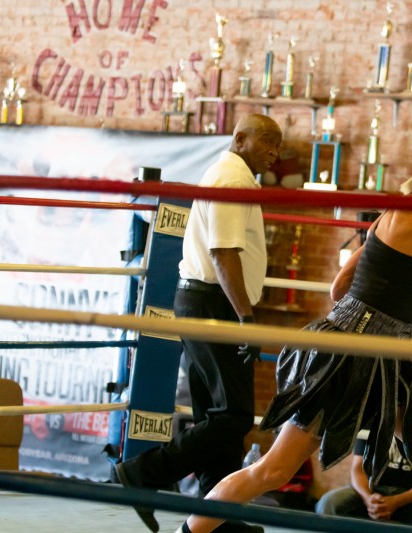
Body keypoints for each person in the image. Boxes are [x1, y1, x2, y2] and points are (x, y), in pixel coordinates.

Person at [175, 129, 412, 533]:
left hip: (385, 358)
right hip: (346, 355)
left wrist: (393, 329)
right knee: (272, 470)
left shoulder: (411, 218)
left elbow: (340, 285)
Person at [116, 114, 282, 533]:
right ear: (240, 138)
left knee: (217, 417)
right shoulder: (232, 179)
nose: (274, 151)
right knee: (234, 416)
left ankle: (217, 518)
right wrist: (246, 317)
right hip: (215, 303)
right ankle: (141, 473)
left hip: (205, 300)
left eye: (277, 144)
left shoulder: (233, 176)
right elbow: (225, 253)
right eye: (267, 141)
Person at [315, 362, 412, 529]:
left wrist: (398, 501)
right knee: (329, 503)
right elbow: (357, 468)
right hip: (375, 494)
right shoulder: (373, 413)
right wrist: (368, 499)